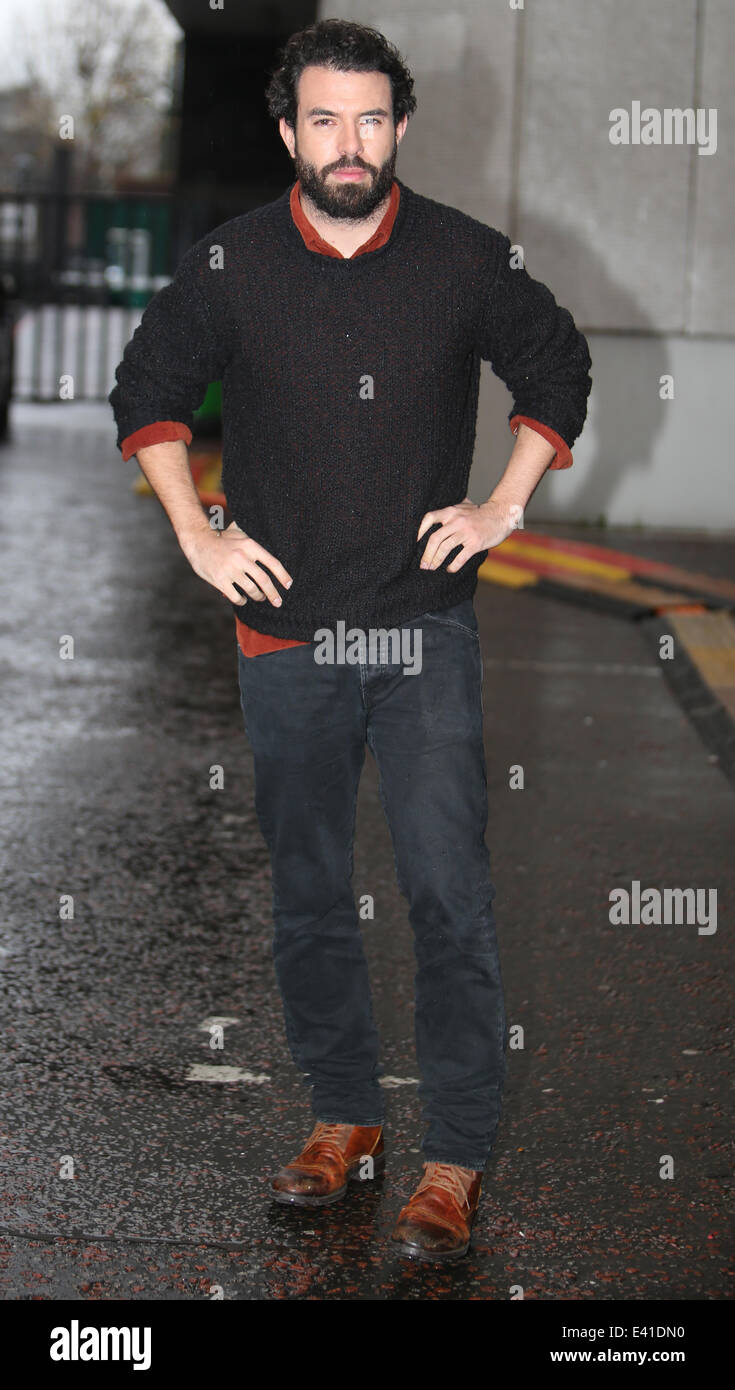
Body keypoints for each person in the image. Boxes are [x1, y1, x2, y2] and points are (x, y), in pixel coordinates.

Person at [109, 17, 592, 1263]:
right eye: (324, 118)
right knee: (313, 898)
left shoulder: (461, 259)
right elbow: (146, 390)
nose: (349, 142)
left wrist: (502, 504)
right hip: (284, 637)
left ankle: (453, 1161)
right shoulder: (233, 267)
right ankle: (343, 1119)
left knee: (448, 896)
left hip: (421, 631)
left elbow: (556, 361)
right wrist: (198, 535)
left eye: (371, 118)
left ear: (400, 129)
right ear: (289, 132)